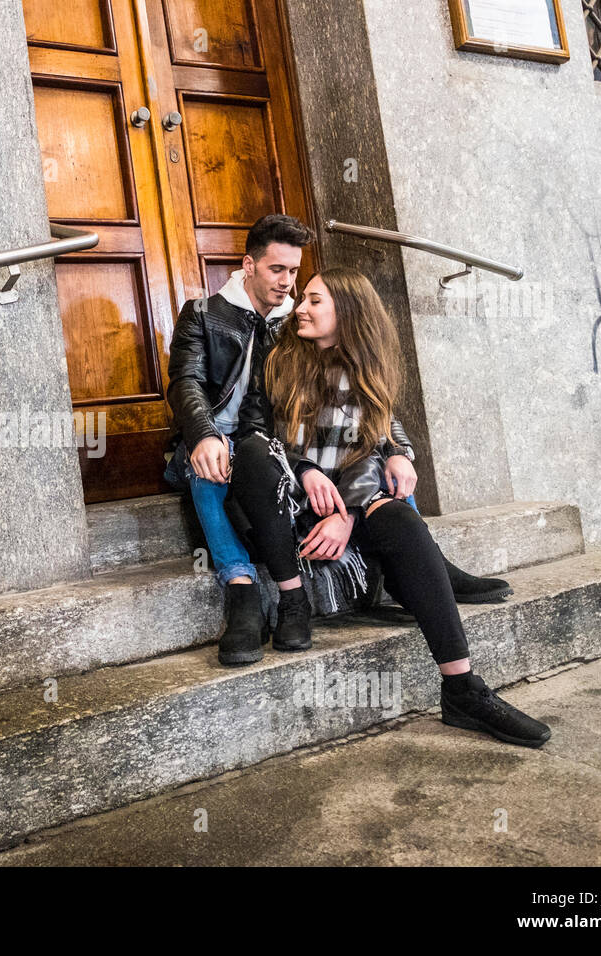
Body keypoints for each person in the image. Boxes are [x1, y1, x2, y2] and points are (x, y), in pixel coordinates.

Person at [165, 214, 509, 668]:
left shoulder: (300, 319)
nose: (289, 283)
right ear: (248, 266)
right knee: (211, 461)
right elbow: (185, 382)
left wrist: (399, 449)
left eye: (294, 272)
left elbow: (366, 400)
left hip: (286, 442)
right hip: (229, 438)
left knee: (383, 460)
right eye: (277, 270)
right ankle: (242, 591)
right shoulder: (205, 314)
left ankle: (430, 567)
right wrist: (205, 433)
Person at [228, 266, 551, 747]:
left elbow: (368, 453)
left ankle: (463, 689)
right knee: (254, 455)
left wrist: (348, 516)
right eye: (303, 298)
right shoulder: (276, 356)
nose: (300, 307)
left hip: (343, 501)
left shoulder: (367, 371)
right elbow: (253, 431)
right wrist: (304, 468)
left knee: (400, 519)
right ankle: (292, 598)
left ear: (348, 310)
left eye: (315, 300)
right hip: (281, 501)